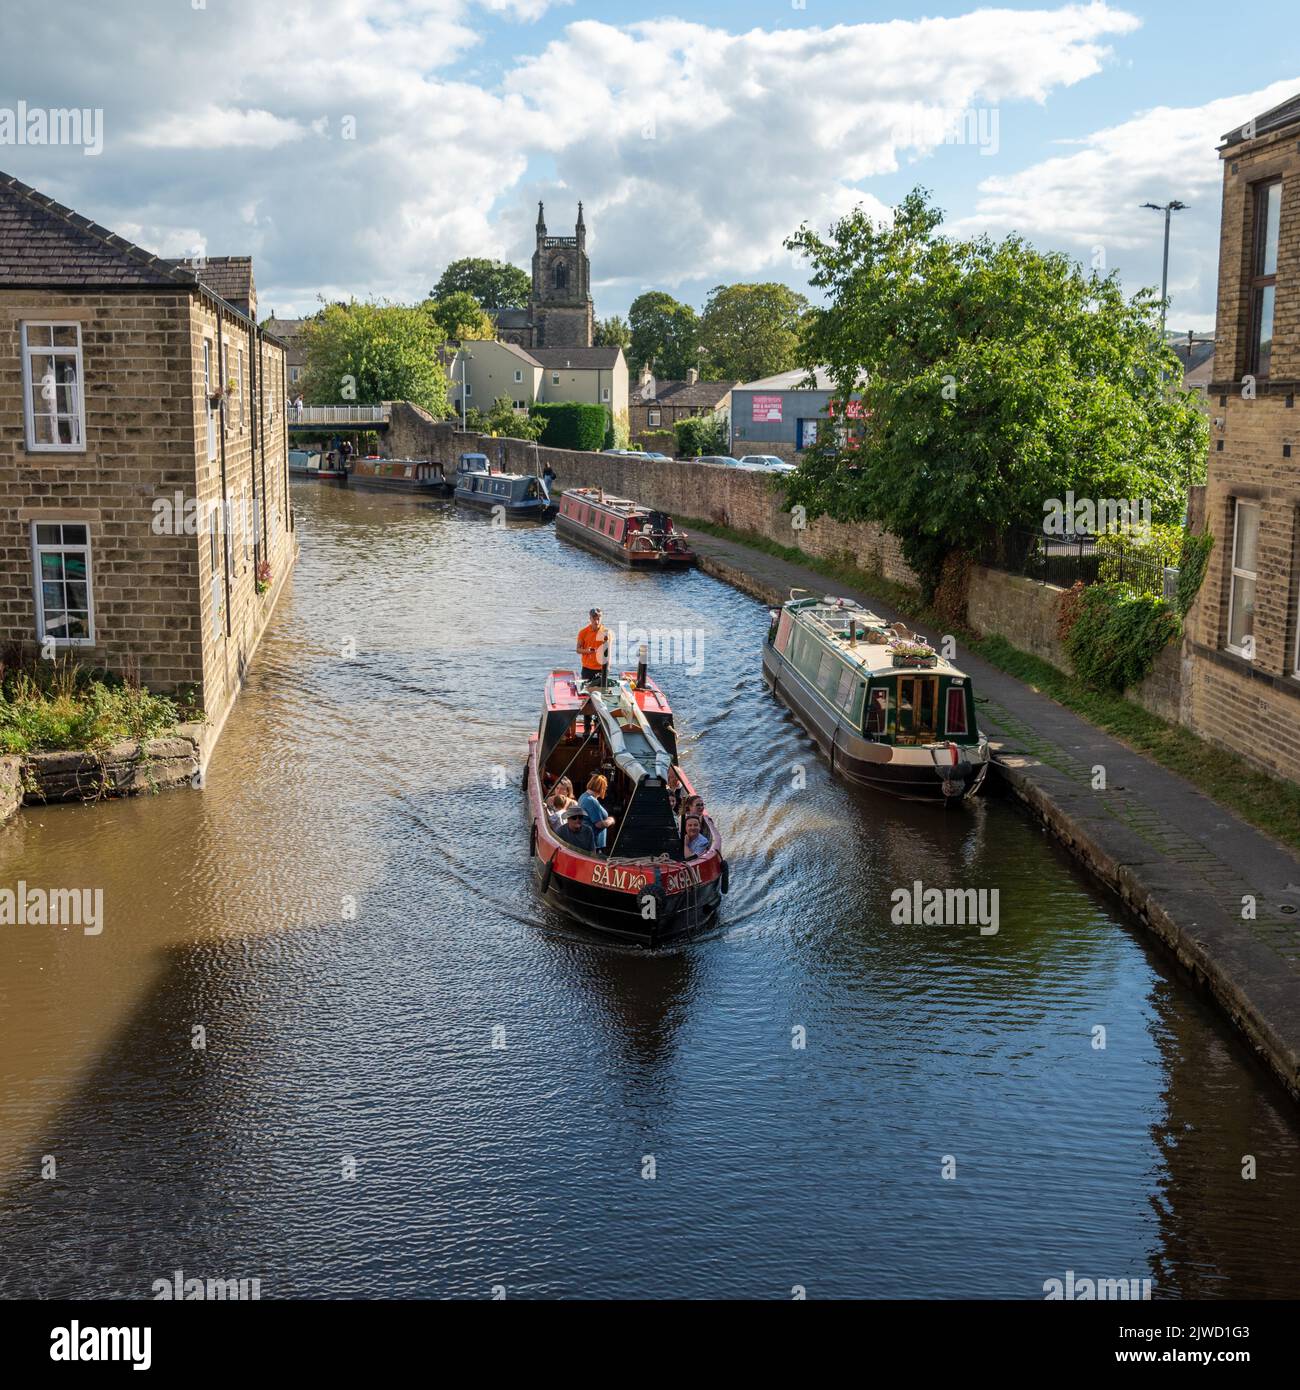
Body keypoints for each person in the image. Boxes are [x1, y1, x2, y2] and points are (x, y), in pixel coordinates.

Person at [579, 774, 615, 852]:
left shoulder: (583, 796)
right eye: (605, 788)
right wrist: (611, 820)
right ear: (601, 788)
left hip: (590, 840)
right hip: (594, 843)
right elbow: (599, 824)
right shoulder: (591, 801)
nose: (605, 790)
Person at [576, 607, 610, 687]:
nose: (596, 621)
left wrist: (607, 668)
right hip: (587, 669)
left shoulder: (606, 632)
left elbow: (609, 652)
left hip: (601, 669)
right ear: (590, 618)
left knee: (601, 693)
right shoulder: (583, 632)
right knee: (586, 693)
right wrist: (587, 651)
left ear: (601, 618)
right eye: (594, 619)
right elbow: (578, 650)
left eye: (598, 619)